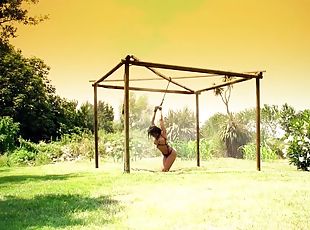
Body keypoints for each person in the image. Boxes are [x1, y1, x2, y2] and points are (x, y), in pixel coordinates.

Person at [147, 106, 176, 172]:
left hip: (171, 153)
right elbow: (152, 122)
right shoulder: (155, 137)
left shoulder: (163, 134)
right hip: (165, 155)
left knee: (165, 170)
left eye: (153, 134)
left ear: (156, 132)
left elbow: (161, 121)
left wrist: (160, 111)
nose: (153, 136)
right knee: (163, 170)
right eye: (152, 135)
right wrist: (155, 111)